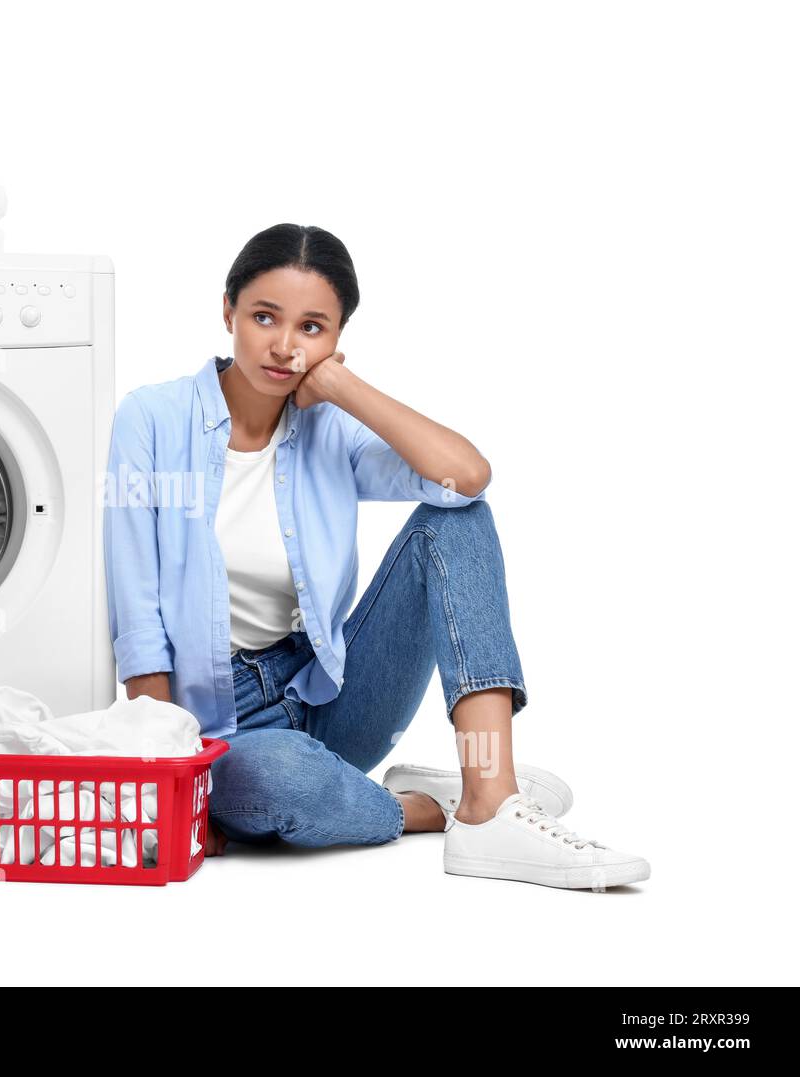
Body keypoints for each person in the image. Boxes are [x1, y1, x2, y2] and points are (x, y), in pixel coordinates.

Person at [101, 223, 650, 889]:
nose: (283, 346)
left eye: (312, 328)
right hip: (219, 730)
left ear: (336, 340)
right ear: (228, 311)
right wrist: (169, 781)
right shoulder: (151, 419)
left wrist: (342, 389)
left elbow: (465, 476)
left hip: (331, 693)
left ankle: (489, 795)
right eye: (264, 317)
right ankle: (429, 808)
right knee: (278, 777)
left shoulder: (329, 426)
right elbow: (137, 617)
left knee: (456, 519)